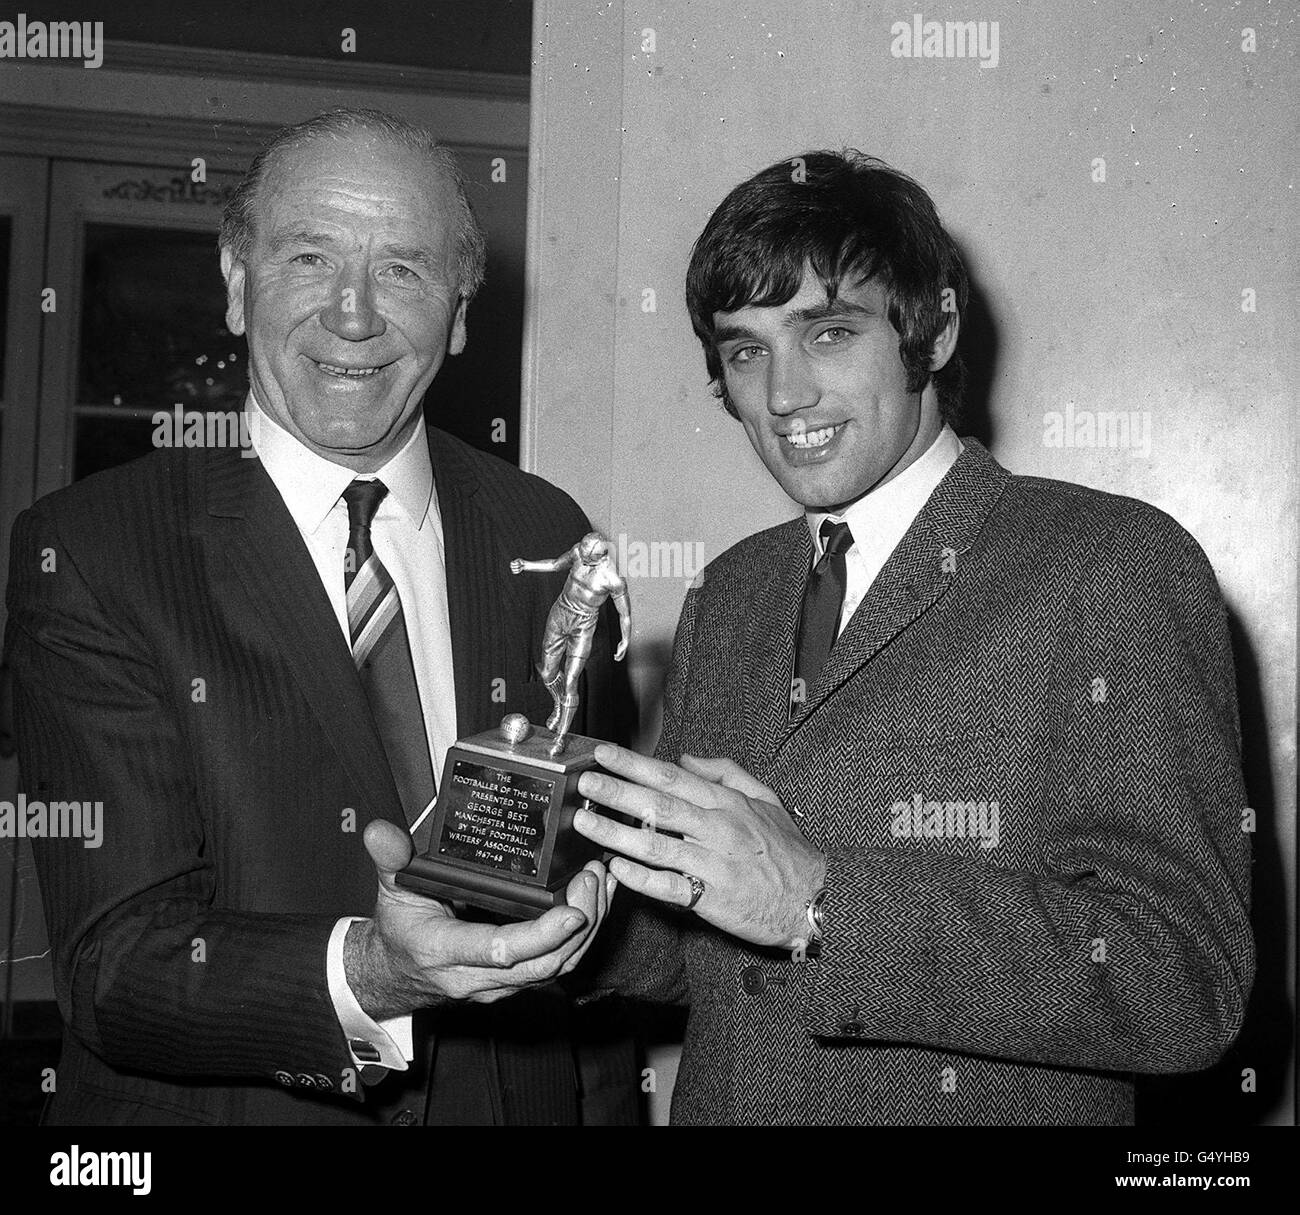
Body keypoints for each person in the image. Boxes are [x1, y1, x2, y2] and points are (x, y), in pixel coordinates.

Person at [574, 150, 1255, 1125]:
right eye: (744, 350)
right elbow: (711, 952)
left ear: (931, 330)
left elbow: (1182, 982)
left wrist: (819, 903)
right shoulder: (732, 588)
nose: (782, 395)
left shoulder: (1110, 564)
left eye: (829, 332)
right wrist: (562, 911)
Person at [3, 108, 626, 1125]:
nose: (352, 315)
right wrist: (374, 974)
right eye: (309, 259)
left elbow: (584, 900)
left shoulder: (547, 533)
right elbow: (111, 966)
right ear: (239, 283)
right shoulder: (96, 550)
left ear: (462, 310)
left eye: (404, 270)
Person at [511, 532, 631, 753]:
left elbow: (624, 614)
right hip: (560, 613)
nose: (583, 562)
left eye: (588, 560)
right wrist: (526, 565)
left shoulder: (613, 580)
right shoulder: (578, 552)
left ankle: (560, 738)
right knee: (547, 673)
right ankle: (559, 703)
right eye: (582, 556)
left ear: (602, 556)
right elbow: (556, 564)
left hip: (583, 625)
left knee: (571, 681)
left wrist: (625, 639)